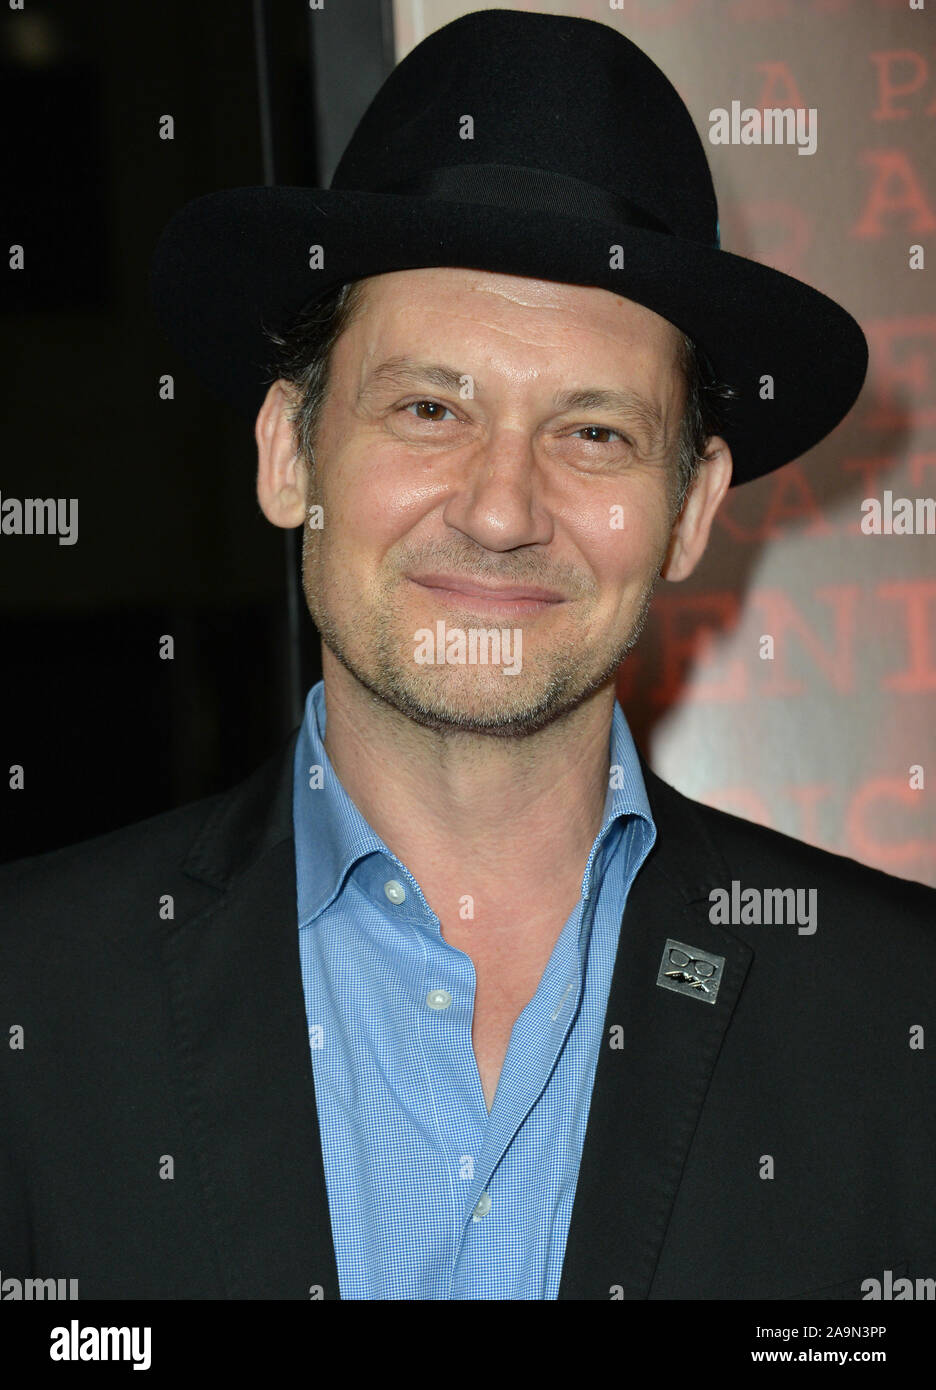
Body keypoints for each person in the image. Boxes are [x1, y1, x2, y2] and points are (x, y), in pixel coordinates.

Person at [2, 8, 934, 1302]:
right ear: (290, 452)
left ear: (693, 507)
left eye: (595, 432)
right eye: (429, 407)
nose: (502, 508)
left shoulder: (901, 1028)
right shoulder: (32, 1005)